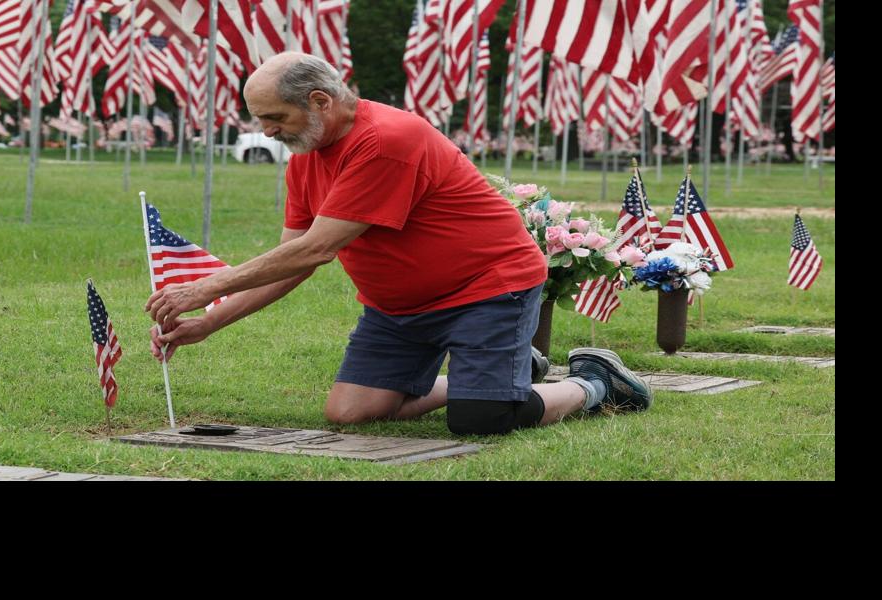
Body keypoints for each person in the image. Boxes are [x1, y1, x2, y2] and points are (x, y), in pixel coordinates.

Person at [145, 52, 651, 436]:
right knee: (349, 413)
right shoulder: (307, 154)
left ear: (319, 101)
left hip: (488, 288)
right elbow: (291, 262)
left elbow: (316, 249)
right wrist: (209, 321)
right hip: (399, 309)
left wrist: (201, 288)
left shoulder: (385, 139)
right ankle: (515, 372)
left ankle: (596, 383)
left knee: (484, 417)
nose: (267, 131)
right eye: (261, 119)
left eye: (274, 117)